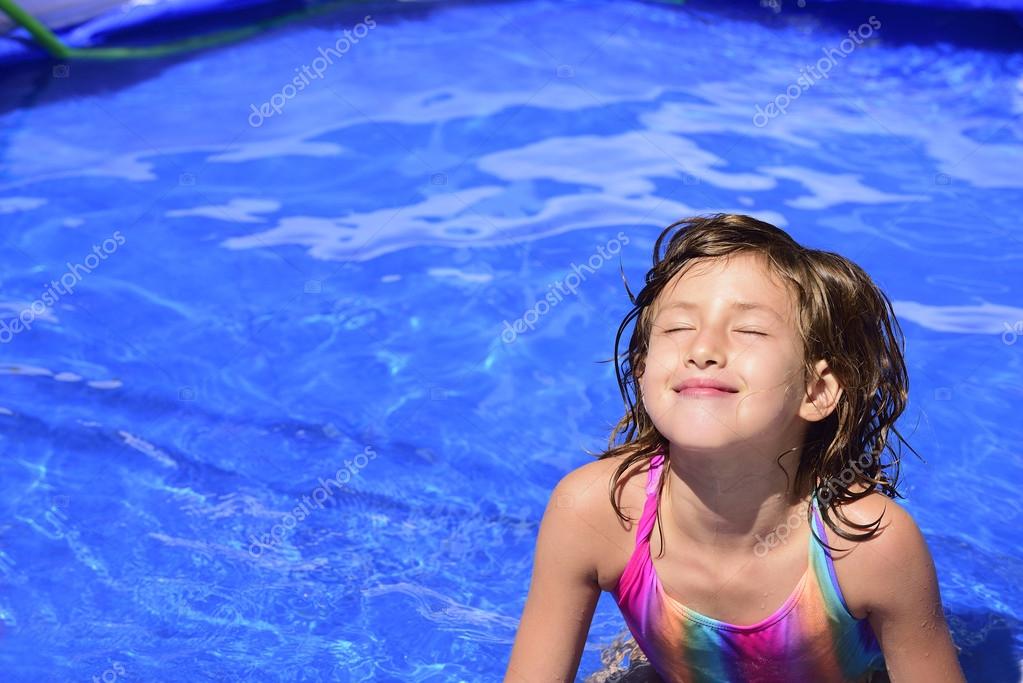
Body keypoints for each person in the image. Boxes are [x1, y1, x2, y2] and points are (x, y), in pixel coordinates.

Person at [504, 214, 966, 683]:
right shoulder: (595, 513)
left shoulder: (868, 546)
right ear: (642, 370)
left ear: (817, 390)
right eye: (678, 327)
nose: (702, 348)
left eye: (749, 331)